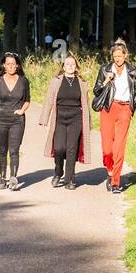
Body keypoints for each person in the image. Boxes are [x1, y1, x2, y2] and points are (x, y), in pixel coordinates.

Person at [92, 39, 136, 193]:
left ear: (125, 55)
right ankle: (110, 171)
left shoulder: (132, 70)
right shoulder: (105, 69)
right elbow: (96, 90)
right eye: (115, 56)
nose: (117, 59)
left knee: (119, 146)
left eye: (120, 56)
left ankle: (115, 182)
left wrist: (130, 110)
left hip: (125, 109)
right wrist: (106, 80)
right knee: (107, 148)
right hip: (108, 108)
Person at [39, 53, 92, 189]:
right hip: (60, 117)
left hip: (76, 117)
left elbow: (85, 104)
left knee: (71, 148)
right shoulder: (56, 80)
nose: (70, 66)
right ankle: (58, 172)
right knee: (59, 147)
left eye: (73, 64)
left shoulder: (82, 83)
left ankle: (69, 180)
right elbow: (49, 100)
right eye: (67, 63)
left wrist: (88, 123)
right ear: (63, 66)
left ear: (76, 67)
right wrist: (44, 119)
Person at [0, 52, 31, 190]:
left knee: (14, 150)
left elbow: (27, 100)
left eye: (13, 64)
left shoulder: (24, 81)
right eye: (8, 64)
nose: (11, 66)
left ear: (17, 65)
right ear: (3, 65)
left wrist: (22, 111)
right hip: (0, 119)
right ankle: (2, 178)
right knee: (2, 150)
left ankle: (13, 178)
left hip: (17, 120)